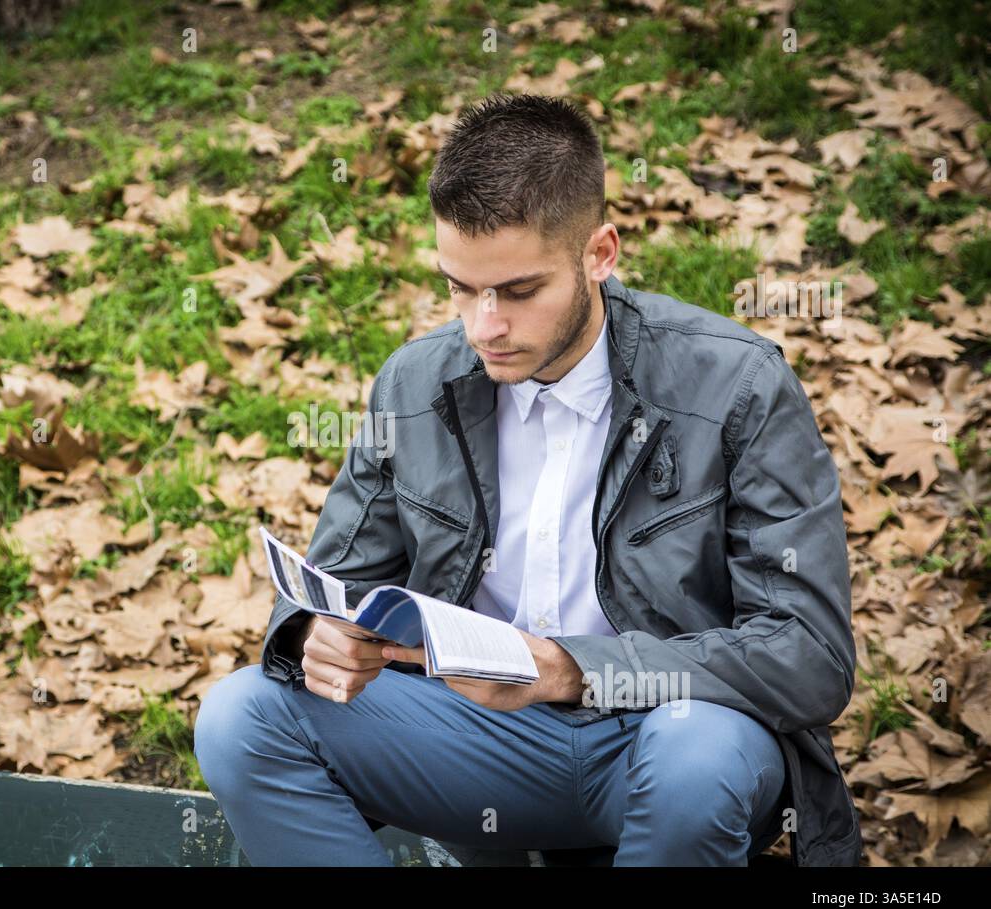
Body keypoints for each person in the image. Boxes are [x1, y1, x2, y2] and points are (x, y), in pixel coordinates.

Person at [194, 92, 861, 867]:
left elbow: (809, 655)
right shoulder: (415, 385)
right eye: (458, 287)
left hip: (661, 733)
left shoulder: (738, 387)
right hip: (475, 739)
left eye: (517, 291)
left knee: (695, 761)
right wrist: (314, 636)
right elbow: (331, 582)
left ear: (599, 254)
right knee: (242, 715)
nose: (484, 327)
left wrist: (573, 671)